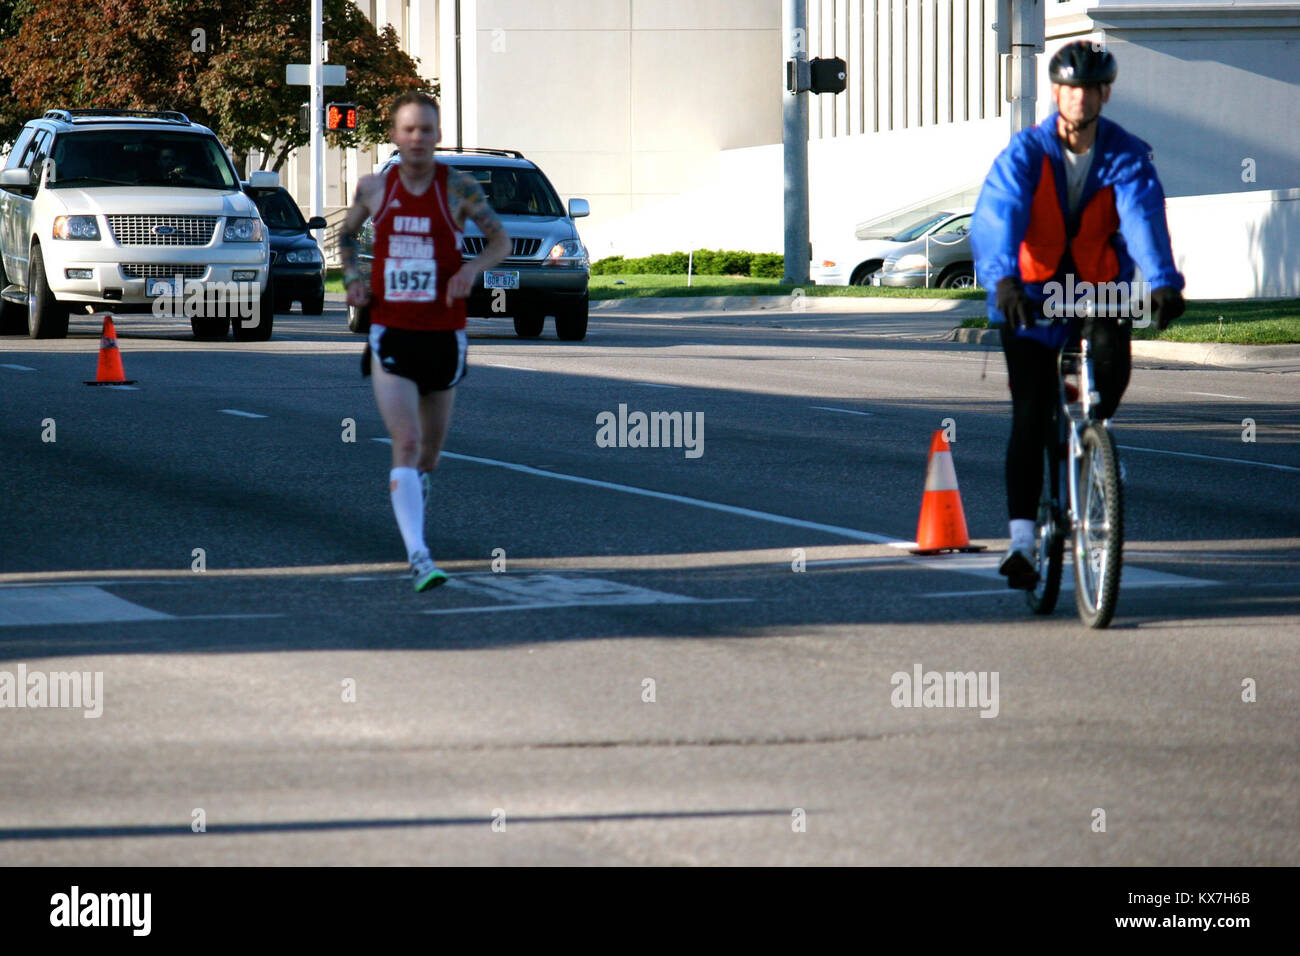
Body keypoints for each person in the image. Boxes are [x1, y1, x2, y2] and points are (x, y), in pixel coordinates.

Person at [971, 41, 1186, 590]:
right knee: (1029, 413)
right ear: (1056, 92)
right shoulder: (1026, 152)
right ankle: (1022, 540)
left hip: (1097, 289)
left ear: (1104, 93)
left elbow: (1142, 215)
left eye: (1090, 88)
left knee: (1111, 379)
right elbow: (999, 217)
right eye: (1070, 88)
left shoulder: (1125, 152)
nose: (1080, 97)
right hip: (1029, 292)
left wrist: (1162, 281)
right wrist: (1002, 280)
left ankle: (1092, 446)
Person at [337, 92, 510, 591]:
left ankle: (414, 502)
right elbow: (346, 236)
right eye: (407, 129)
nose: (416, 139)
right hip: (392, 330)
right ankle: (419, 555)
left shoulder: (459, 190)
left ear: (438, 135)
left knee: (430, 454)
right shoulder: (374, 188)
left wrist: (473, 269)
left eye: (426, 130)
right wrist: (351, 278)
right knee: (406, 443)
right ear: (393, 135)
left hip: (445, 333)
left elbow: (499, 241)